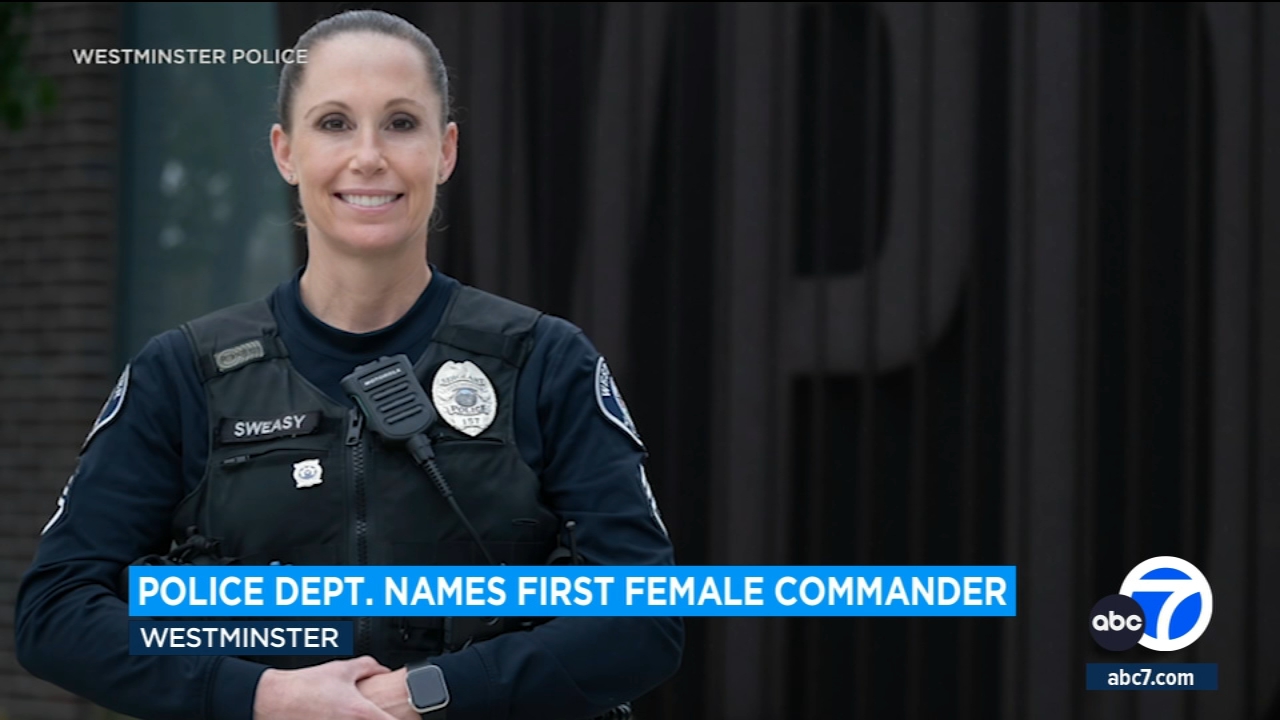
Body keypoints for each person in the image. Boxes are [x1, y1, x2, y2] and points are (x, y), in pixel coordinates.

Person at [14, 9, 683, 720]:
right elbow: (56, 611)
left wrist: (429, 693)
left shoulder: (545, 362)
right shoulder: (181, 376)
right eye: (334, 123)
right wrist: (264, 696)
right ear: (285, 152)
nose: (369, 156)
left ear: (445, 150)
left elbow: (645, 619)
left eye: (401, 123)